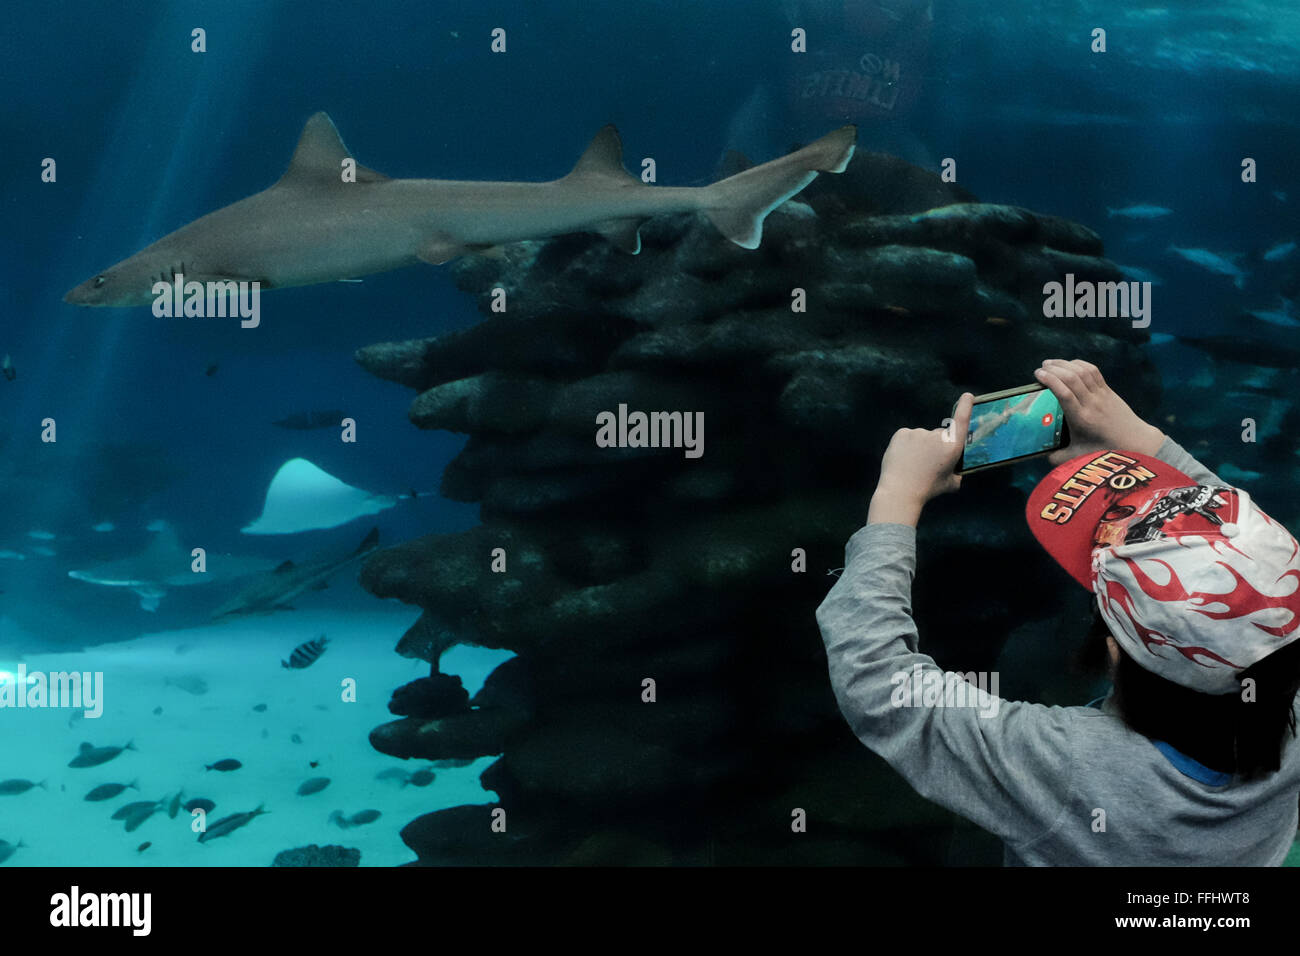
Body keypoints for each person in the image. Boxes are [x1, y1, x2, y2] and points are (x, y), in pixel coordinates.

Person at [816, 358, 1300, 865]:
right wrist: (1141, 439)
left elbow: (878, 682)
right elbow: (1258, 570)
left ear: (1113, 652)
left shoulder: (1065, 766)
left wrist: (896, 497)